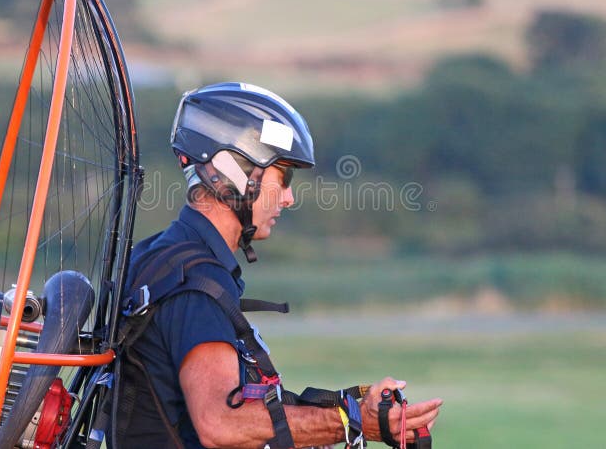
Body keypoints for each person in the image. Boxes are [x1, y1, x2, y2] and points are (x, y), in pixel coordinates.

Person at [115, 82, 442, 449]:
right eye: (282, 178)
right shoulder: (196, 284)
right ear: (234, 173)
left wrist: (352, 408)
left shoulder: (161, 256)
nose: (289, 198)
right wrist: (349, 423)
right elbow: (222, 423)